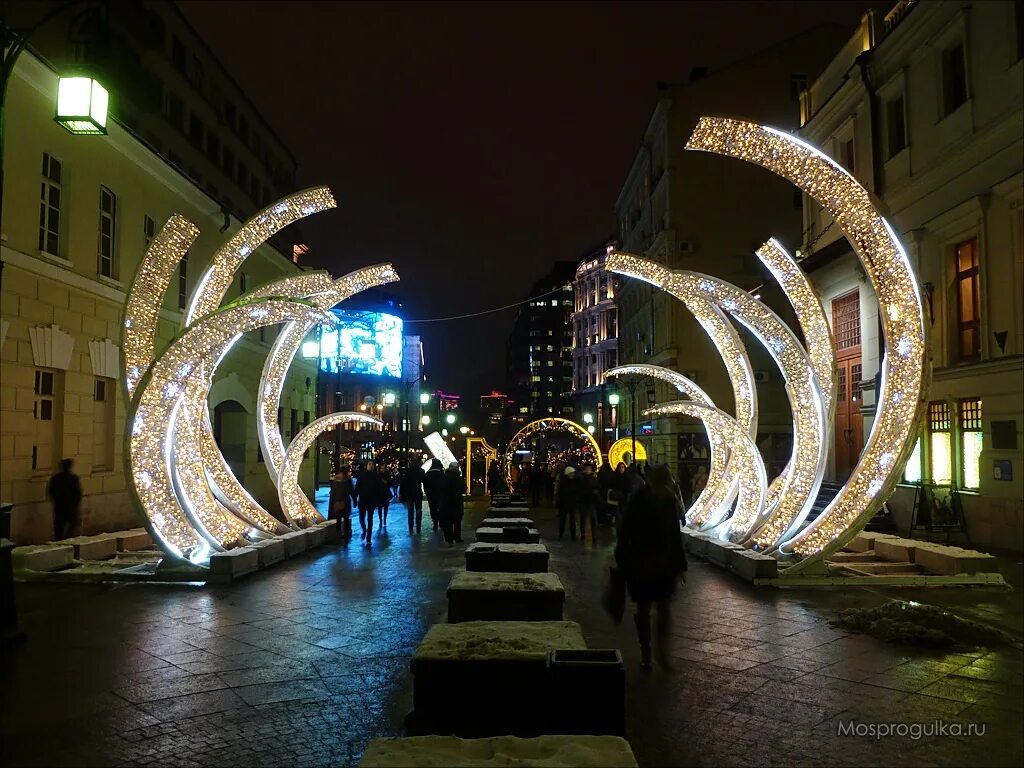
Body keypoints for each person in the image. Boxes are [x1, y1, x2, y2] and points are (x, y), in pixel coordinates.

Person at [615, 464, 687, 670]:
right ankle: (646, 651)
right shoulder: (638, 501)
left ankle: (662, 651)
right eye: (664, 483)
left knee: (664, 608)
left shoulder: (669, 501)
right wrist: (623, 560)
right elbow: (625, 533)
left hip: (665, 564)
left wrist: (681, 565)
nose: (667, 487)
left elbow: (675, 535)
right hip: (641, 564)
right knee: (644, 608)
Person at [47, 458, 82, 541]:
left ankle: (59, 544)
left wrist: (56, 500)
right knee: (72, 527)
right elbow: (78, 493)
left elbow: (51, 492)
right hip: (71, 508)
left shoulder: (55, 478)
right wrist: (75, 505)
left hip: (59, 507)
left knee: (59, 529)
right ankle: (67, 541)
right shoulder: (73, 478)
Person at [357, 460, 385, 544]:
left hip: (371, 501)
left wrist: (379, 499)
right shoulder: (362, 475)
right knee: (362, 518)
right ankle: (364, 530)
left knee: (370, 519)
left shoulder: (376, 476)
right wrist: (355, 497)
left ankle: (368, 537)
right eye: (370, 464)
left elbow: (379, 489)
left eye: (372, 464)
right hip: (363, 499)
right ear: (367, 466)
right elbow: (358, 486)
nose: (371, 465)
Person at [439, 462, 464, 545]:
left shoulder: (444, 477)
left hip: (446, 502)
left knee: (447, 521)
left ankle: (449, 538)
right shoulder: (459, 478)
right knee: (457, 521)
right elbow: (464, 489)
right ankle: (457, 537)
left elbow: (441, 488)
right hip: (457, 502)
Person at [328, 465, 355, 539]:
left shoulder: (336, 479)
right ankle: (346, 534)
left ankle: (338, 534)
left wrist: (333, 502)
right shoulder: (348, 479)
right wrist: (355, 500)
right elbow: (351, 491)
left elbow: (333, 492)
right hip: (345, 501)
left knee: (338, 519)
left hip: (337, 502)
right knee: (346, 518)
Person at [577, 462, 601, 544]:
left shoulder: (594, 478)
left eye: (589, 469)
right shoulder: (581, 478)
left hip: (591, 501)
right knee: (583, 518)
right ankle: (583, 533)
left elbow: (598, 487)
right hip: (583, 501)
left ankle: (594, 536)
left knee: (593, 519)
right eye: (586, 469)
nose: (588, 470)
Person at [401, 459, 425, 534]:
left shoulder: (407, 471)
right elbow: (423, 480)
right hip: (418, 493)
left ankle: (410, 527)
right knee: (418, 510)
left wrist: (401, 493)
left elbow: (403, 483)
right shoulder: (421, 471)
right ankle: (418, 527)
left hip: (409, 494)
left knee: (410, 511)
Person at [555, 466, 578, 539]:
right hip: (564, 504)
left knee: (572, 520)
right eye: (571, 473)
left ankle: (573, 535)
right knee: (563, 520)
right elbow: (559, 493)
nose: (572, 475)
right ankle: (562, 533)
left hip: (571, 503)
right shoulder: (564, 482)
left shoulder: (572, 481)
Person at [423, 458, 444, 531]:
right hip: (440, 495)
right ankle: (441, 523)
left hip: (431, 495)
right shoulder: (442, 474)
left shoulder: (428, 474)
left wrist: (427, 492)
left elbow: (425, 485)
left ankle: (435, 523)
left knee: (433, 508)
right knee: (441, 508)